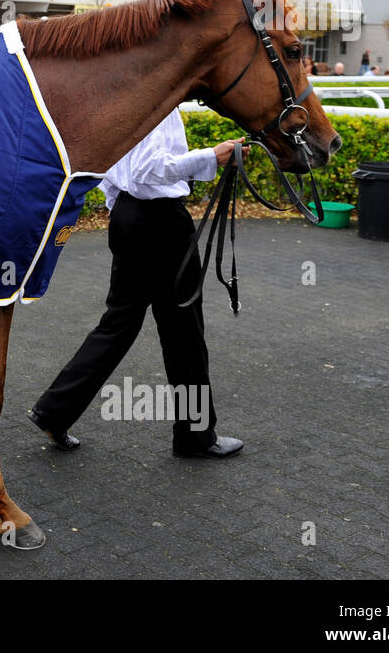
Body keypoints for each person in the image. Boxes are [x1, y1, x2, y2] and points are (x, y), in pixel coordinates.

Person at [28, 108, 246, 458]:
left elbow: (111, 168)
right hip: (161, 223)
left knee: (119, 323)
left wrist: (121, 209)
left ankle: (55, 410)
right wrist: (212, 157)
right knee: (184, 331)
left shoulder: (127, 102)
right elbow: (149, 169)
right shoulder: (160, 106)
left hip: (131, 218)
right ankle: (195, 436)